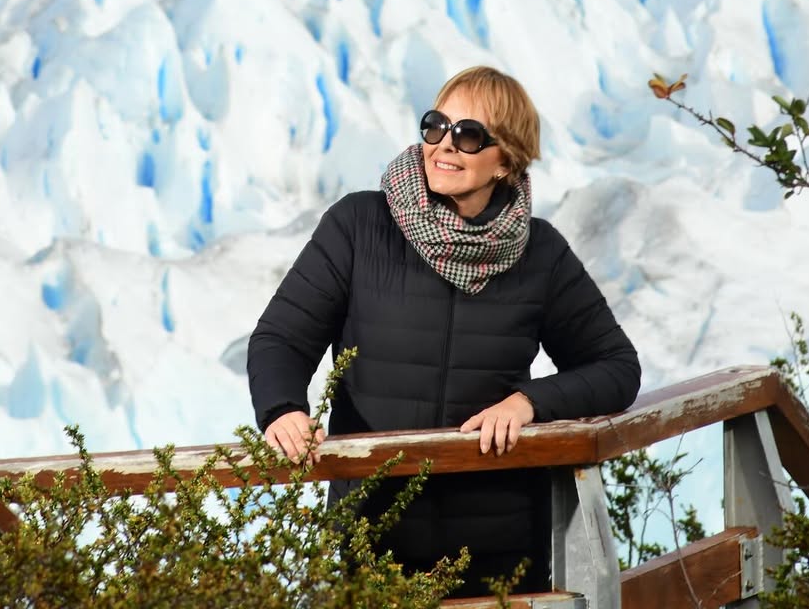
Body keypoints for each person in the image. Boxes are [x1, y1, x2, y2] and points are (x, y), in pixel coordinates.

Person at [246, 65, 640, 597]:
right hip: (373, 541)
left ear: (506, 160)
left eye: (469, 134)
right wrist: (283, 408)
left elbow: (617, 368)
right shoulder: (359, 226)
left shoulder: (540, 253)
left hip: (501, 554)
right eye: (436, 126)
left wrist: (529, 402)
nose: (445, 145)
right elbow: (280, 338)